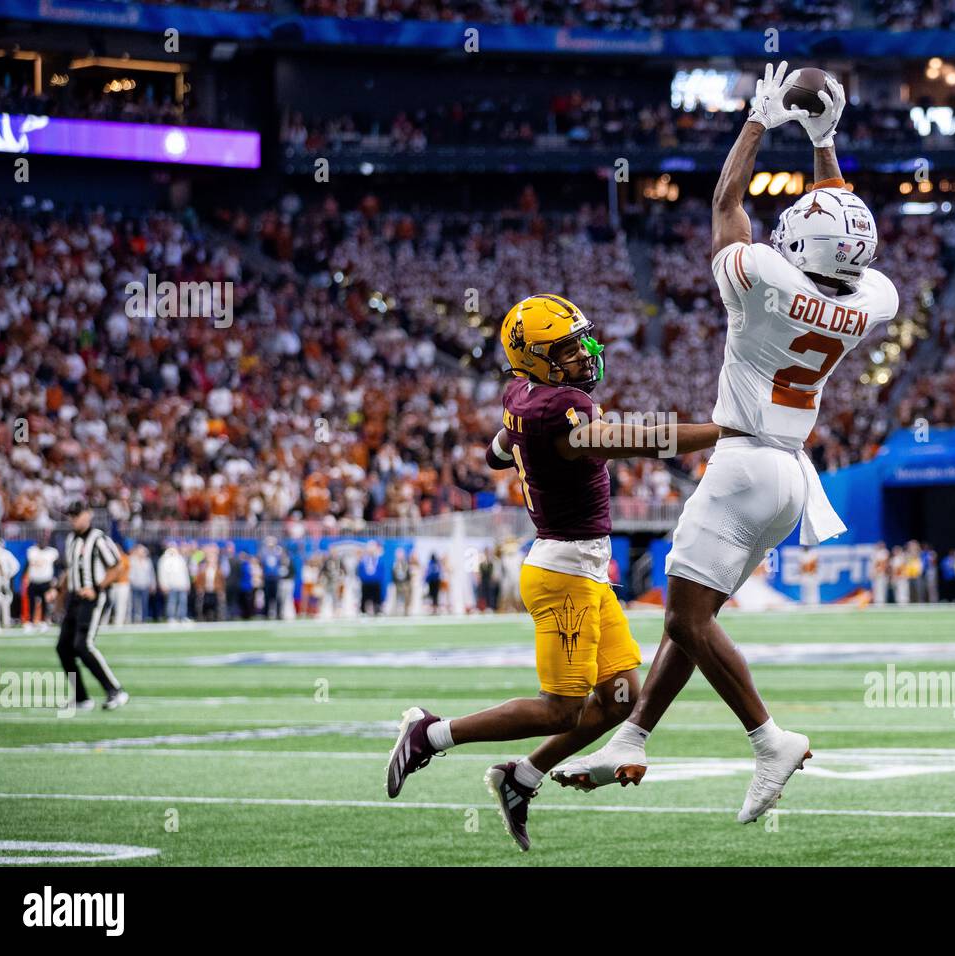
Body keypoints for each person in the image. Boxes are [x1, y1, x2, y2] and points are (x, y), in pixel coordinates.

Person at [556, 64, 899, 823]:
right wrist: (823, 141)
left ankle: (769, 738)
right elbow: (839, 222)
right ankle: (633, 736)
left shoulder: (760, 276)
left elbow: (726, 204)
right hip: (791, 475)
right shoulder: (870, 297)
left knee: (683, 618)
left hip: (742, 459)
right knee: (696, 614)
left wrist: (756, 121)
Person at [384, 291, 720, 851]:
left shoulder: (523, 393)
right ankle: (432, 733)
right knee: (561, 709)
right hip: (563, 571)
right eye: (566, 350)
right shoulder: (554, 408)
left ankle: (522, 777)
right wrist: (721, 431)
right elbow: (632, 441)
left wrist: (505, 452)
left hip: (582, 568)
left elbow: (496, 450)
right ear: (535, 358)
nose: (583, 356)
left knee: (618, 698)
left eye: (580, 343)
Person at [58, 503, 128, 710]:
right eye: (71, 516)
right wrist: (58, 589)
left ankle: (115, 690)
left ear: (87, 515)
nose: (73, 520)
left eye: (77, 515)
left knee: (83, 645)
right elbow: (69, 571)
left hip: (92, 598)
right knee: (63, 648)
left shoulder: (98, 538)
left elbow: (118, 566)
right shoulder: (71, 539)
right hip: (74, 598)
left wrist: (97, 587)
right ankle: (81, 697)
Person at [24, 536, 59, 632]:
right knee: (31, 602)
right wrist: (26, 577)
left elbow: (57, 566)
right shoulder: (32, 551)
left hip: (46, 581)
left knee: (45, 602)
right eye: (41, 541)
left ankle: (43, 622)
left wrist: (54, 582)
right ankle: (30, 621)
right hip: (34, 580)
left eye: (44, 541)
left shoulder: (52, 552)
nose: (42, 543)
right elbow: (27, 565)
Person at [157, 541, 191, 625]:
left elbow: (185, 572)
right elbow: (162, 573)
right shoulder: (164, 559)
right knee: (172, 602)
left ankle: (182, 617)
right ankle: (171, 617)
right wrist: (163, 584)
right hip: (171, 585)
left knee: (183, 602)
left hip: (182, 584)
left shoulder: (180, 558)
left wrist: (187, 584)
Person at [127, 544, 154, 624]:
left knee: (144, 603)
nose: (143, 553)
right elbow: (130, 573)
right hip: (134, 585)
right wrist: (131, 582)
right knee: (134, 603)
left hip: (145, 585)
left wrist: (152, 584)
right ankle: (133, 619)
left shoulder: (148, 561)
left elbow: (151, 574)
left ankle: (143, 619)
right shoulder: (132, 560)